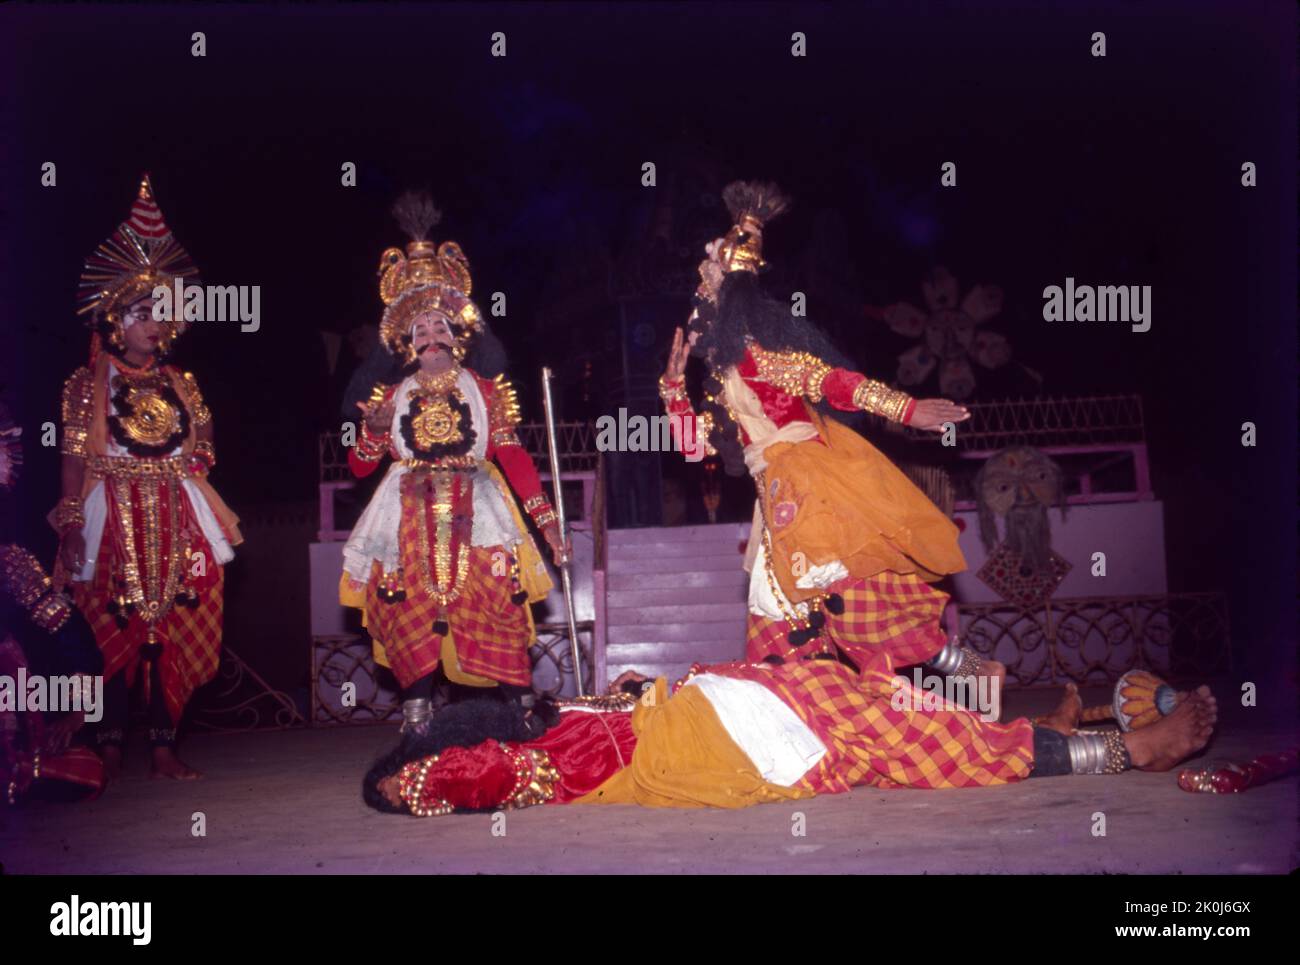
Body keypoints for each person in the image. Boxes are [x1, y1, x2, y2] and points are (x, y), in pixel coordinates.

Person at [658, 180, 1001, 692]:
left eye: (704, 296)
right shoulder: (724, 381)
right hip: (775, 493)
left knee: (851, 598)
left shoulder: (760, 355)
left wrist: (908, 409)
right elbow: (695, 447)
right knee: (781, 611)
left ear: (726, 302)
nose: (696, 311)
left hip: (813, 482)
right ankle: (805, 706)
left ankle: (966, 671)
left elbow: (830, 381)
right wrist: (672, 391)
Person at [364, 660, 1220, 816]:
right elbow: (461, 779)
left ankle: (1025, 731)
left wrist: (631, 692)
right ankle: (1118, 751)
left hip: (719, 703)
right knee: (887, 737)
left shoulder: (553, 727)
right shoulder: (527, 763)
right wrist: (411, 779)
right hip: (724, 745)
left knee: (873, 691)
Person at [340, 192, 567, 734]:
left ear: (460, 335)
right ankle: (416, 716)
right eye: (419, 331)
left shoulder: (484, 391)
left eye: (441, 327)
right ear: (404, 343)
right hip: (406, 516)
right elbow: (359, 469)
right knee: (406, 608)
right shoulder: (388, 397)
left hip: (481, 511)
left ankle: (523, 710)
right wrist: (371, 432)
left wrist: (548, 523)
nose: (431, 337)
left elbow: (513, 456)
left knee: (494, 600)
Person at [53, 174, 242, 781]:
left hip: (175, 511)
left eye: (161, 312)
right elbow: (74, 454)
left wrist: (196, 464)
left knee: (175, 621)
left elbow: (205, 437)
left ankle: (163, 747)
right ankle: (107, 746)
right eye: (141, 313)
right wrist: (70, 522)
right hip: (109, 507)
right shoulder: (88, 382)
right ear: (114, 321)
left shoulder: (182, 381)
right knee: (108, 621)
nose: (154, 324)